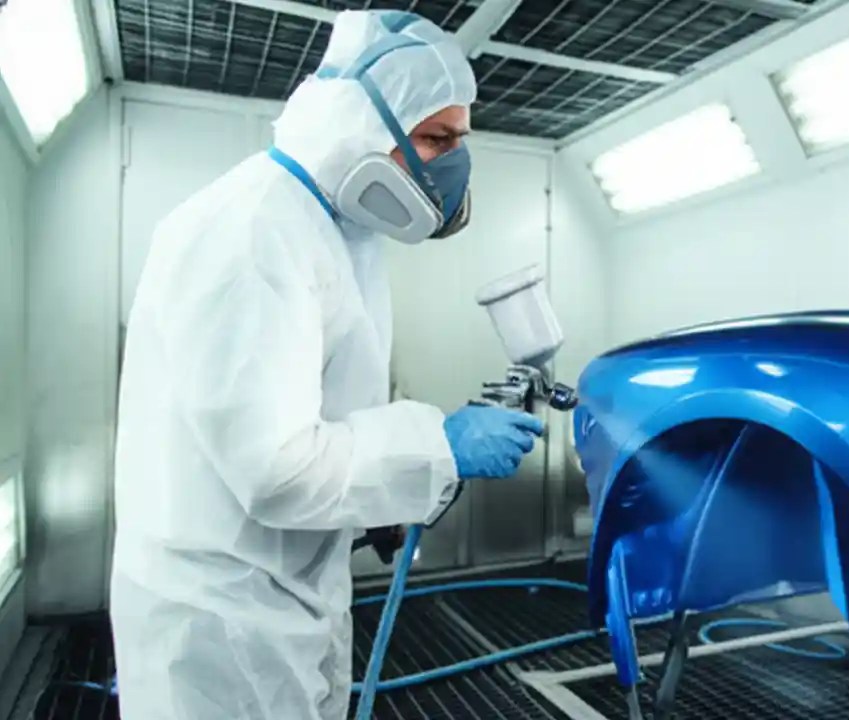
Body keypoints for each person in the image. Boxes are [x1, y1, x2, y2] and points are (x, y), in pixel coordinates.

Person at [108, 10, 542, 719]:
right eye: (438, 139)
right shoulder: (251, 232)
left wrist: (382, 505)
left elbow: (321, 415)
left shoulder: (338, 229)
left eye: (461, 141)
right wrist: (438, 447)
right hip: (222, 628)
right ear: (364, 129)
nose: (454, 163)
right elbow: (275, 468)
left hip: (282, 594)